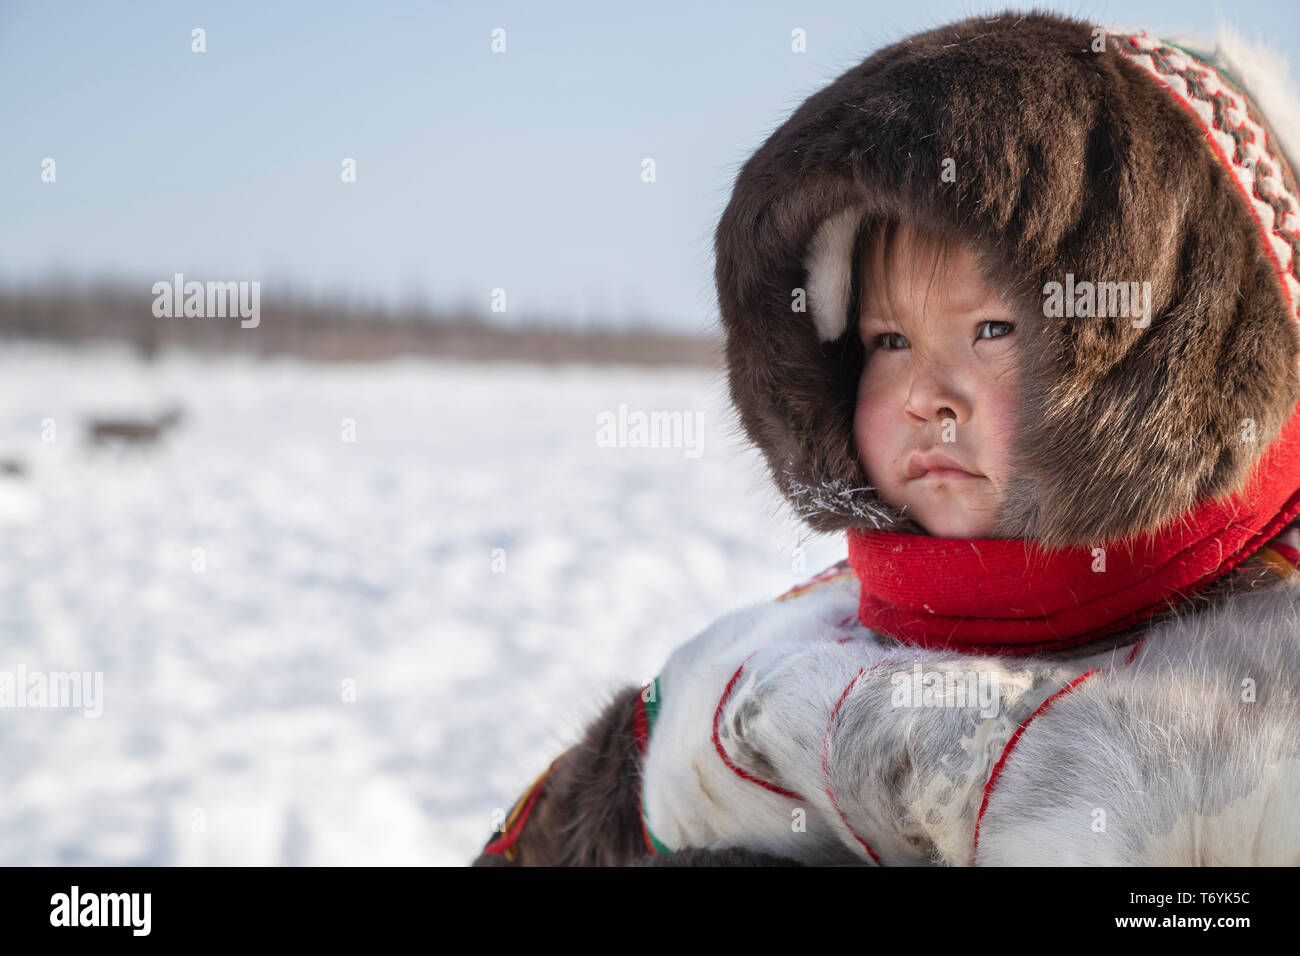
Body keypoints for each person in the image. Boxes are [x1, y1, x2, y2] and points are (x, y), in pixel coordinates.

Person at [474, 10, 1300, 866]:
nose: (922, 397)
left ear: (1163, 348)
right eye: (889, 342)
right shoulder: (772, 658)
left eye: (991, 331)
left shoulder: (1258, 707)